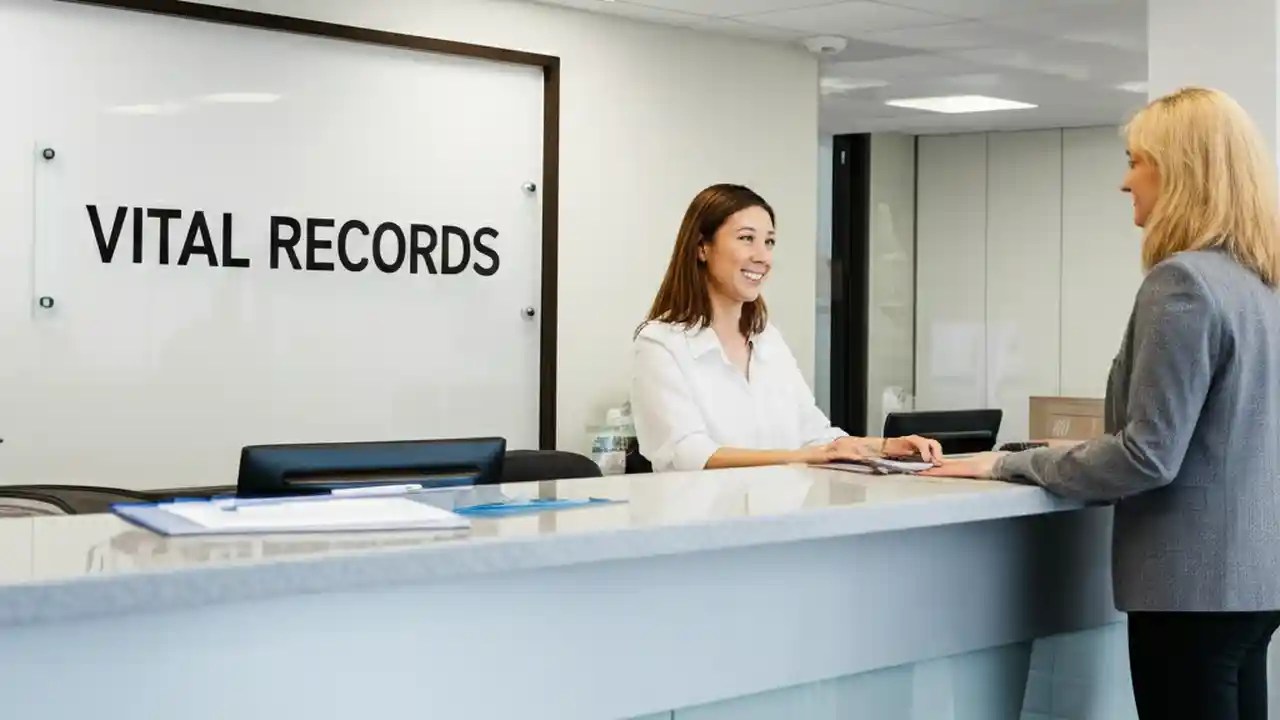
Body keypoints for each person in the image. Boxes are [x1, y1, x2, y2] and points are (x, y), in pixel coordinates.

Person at [925, 87, 1280, 720]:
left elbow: (1147, 457)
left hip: (1190, 588)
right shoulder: (1261, 283)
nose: (1125, 182)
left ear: (1181, 172)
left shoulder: (1185, 282)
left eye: (1135, 160)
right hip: (1253, 583)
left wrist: (1010, 464)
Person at [630, 183, 941, 473]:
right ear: (702, 248)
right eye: (746, 238)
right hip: (705, 524)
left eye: (769, 242)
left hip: (779, 519)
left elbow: (814, 434)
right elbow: (688, 453)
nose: (762, 257)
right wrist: (802, 457)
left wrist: (885, 446)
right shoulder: (660, 342)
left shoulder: (766, 339)